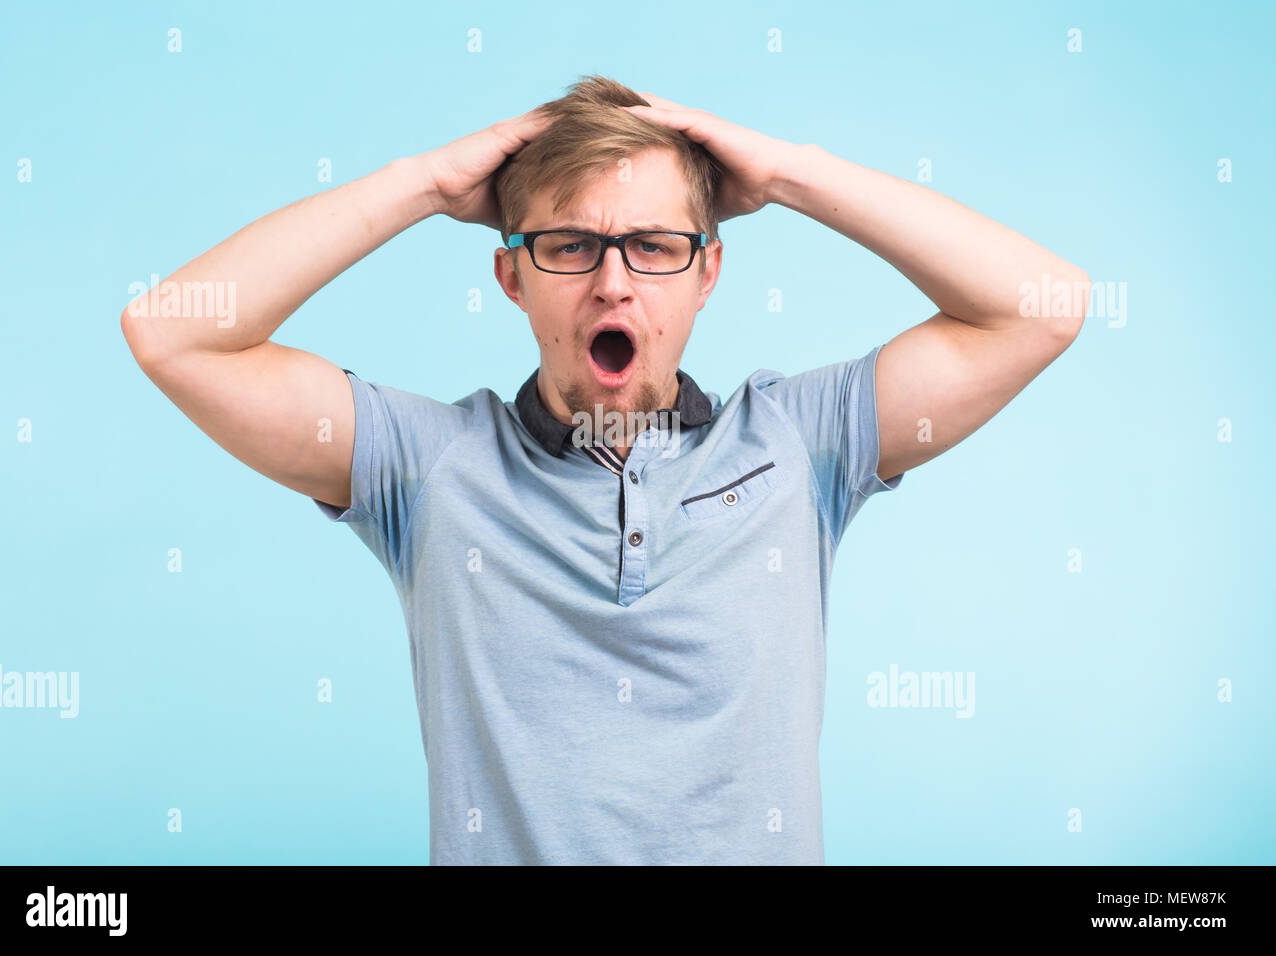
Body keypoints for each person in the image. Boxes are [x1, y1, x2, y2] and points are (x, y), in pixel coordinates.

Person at [120, 75, 1088, 865]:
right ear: (511, 274)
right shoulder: (430, 470)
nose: (613, 280)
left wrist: (791, 174)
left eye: (655, 246)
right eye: (570, 245)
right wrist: (419, 182)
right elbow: (171, 335)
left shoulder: (799, 444)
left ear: (708, 272)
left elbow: (1039, 306)